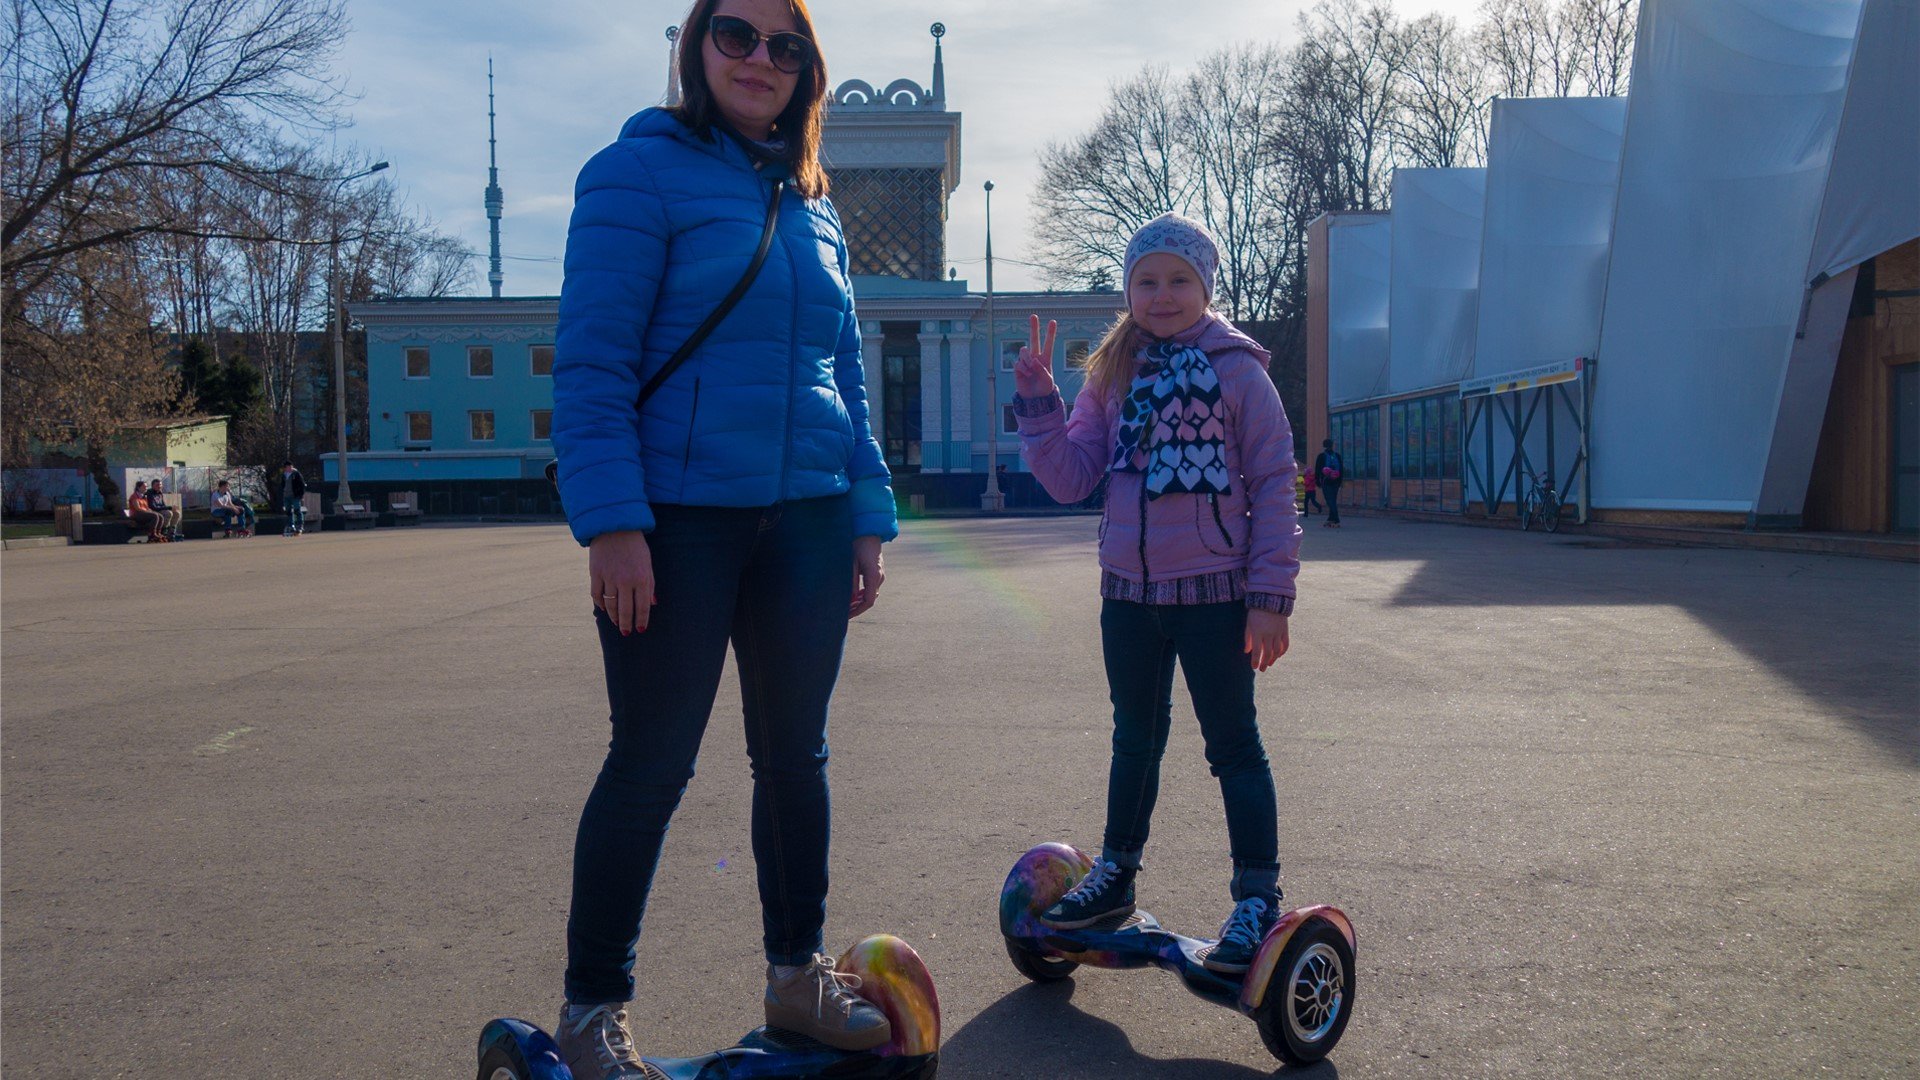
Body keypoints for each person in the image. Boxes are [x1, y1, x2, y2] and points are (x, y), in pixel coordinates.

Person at [548, 2, 897, 1075]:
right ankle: (591, 1010)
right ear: (695, 46)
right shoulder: (633, 174)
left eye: (785, 46)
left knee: (796, 759)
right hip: (678, 524)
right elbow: (593, 363)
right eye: (736, 34)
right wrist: (613, 523)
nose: (759, 59)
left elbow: (844, 374)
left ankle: (796, 979)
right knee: (650, 763)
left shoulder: (814, 204)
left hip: (808, 519)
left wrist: (867, 512)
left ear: (807, 73)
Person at [1010, 212, 1302, 975]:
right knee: (1134, 739)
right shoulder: (1112, 373)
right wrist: (1039, 405)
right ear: (1128, 291)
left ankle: (1256, 897)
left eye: (1179, 280)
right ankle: (1115, 873)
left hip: (1215, 595)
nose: (1162, 295)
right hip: (1129, 597)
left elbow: (1275, 482)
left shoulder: (1239, 372)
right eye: (1147, 281)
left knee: (1233, 745)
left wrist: (1270, 594)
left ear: (1206, 288)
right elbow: (1073, 476)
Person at [1314, 438, 1343, 528]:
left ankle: (1336, 519)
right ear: (1332, 445)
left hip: (1326, 481)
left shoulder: (1321, 456)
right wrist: (1340, 481)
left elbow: (1317, 469)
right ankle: (1331, 518)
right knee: (1333, 499)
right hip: (1336, 481)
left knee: (1329, 500)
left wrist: (1317, 481)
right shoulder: (1337, 456)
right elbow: (1341, 469)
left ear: (1324, 445)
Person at [279, 461, 306, 536]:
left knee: (297, 510)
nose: (290, 468)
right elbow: (282, 485)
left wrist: (300, 495)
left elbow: (302, 485)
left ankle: (300, 525)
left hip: (295, 496)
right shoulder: (284, 475)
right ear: (285, 468)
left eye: (291, 467)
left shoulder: (296, 474)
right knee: (288, 511)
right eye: (288, 467)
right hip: (286, 496)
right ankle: (291, 525)